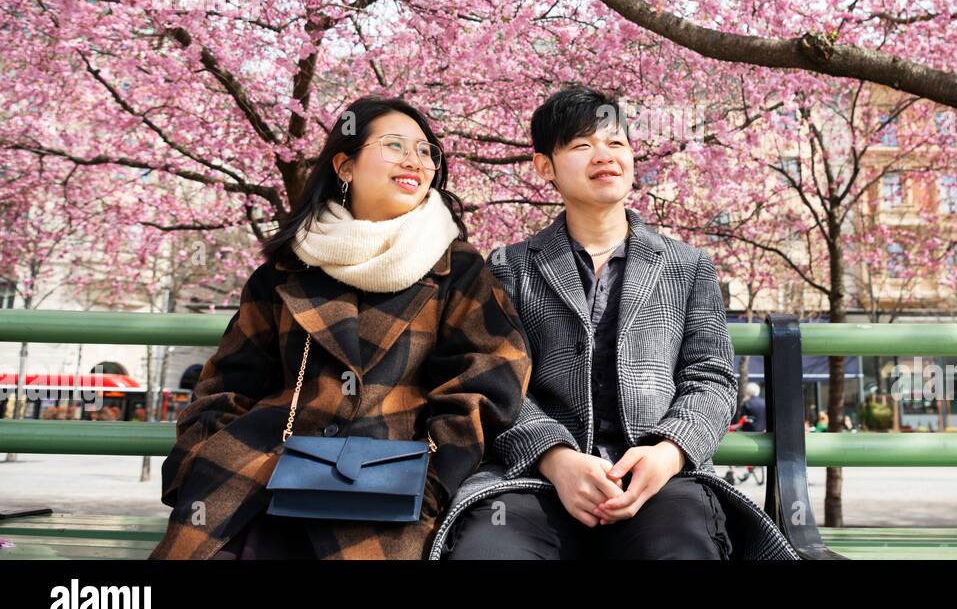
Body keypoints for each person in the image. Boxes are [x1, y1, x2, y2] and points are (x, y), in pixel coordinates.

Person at [150, 96, 531, 559]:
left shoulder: (459, 269)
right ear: (345, 165)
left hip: (385, 484)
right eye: (394, 145)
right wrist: (198, 460)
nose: (416, 160)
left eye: (426, 150)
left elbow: (489, 379)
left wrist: (434, 473)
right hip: (256, 475)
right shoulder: (290, 266)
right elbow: (228, 380)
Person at [435, 86, 797, 559]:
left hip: (663, 483)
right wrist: (556, 459)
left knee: (681, 551)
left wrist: (668, 452)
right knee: (489, 551)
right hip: (533, 482)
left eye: (616, 143)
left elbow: (711, 377)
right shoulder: (510, 266)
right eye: (582, 146)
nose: (604, 156)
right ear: (545, 167)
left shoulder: (687, 267)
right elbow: (497, 382)